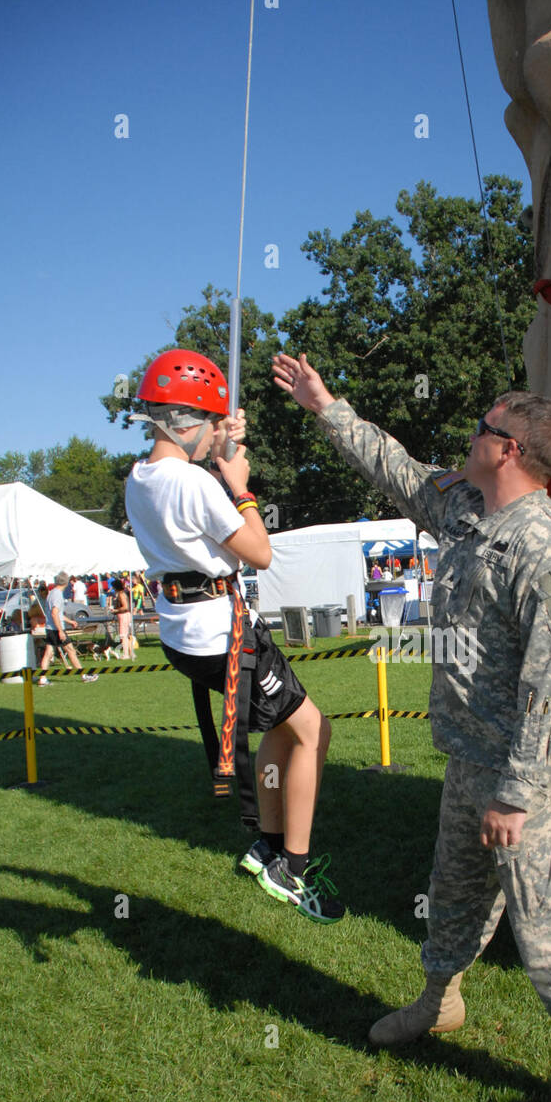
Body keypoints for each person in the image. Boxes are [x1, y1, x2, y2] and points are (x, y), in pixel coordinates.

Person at [271, 350, 551, 1102]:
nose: (471, 435)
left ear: (509, 449)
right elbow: (397, 470)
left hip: (525, 784)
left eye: (484, 428)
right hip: (469, 762)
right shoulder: (466, 509)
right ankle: (440, 1004)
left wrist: (517, 794)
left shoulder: (550, 552)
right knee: (454, 897)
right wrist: (323, 405)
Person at [124, 347, 342, 922]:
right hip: (223, 634)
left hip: (185, 633)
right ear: (187, 423)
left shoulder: (140, 479)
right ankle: (291, 867)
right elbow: (260, 552)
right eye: (213, 421)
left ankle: (268, 843)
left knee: (278, 726)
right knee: (314, 732)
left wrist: (220, 446)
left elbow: (194, 513)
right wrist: (239, 483)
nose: (221, 431)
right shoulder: (194, 485)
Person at [37, 572, 99, 685]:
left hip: (50, 628)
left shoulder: (51, 593)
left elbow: (58, 614)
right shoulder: (57, 595)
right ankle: (84, 675)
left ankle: (42, 678)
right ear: (65, 583)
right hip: (56, 629)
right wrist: (60, 630)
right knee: (71, 651)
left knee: (48, 653)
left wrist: (70, 621)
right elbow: (55, 613)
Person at [111, 578, 134, 659]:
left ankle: (126, 654)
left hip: (123, 615)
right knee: (126, 635)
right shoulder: (122, 593)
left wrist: (115, 610)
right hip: (125, 615)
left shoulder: (121, 594)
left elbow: (125, 607)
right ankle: (131, 653)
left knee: (123, 636)